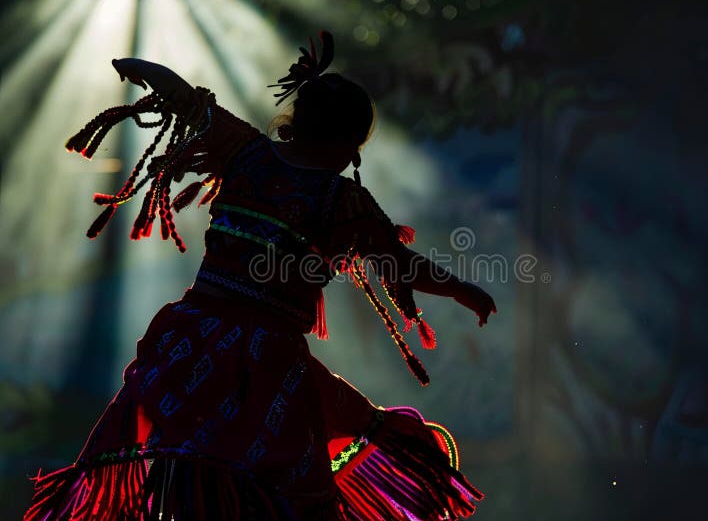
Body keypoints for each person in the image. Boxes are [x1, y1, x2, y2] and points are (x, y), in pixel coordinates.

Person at [25, 31, 496, 520]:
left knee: (186, 475)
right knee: (278, 488)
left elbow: (186, 101)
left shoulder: (246, 152)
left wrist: (143, 67)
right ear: (349, 146)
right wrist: (461, 288)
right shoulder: (344, 201)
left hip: (191, 342)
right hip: (267, 361)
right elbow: (401, 265)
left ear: (294, 122)